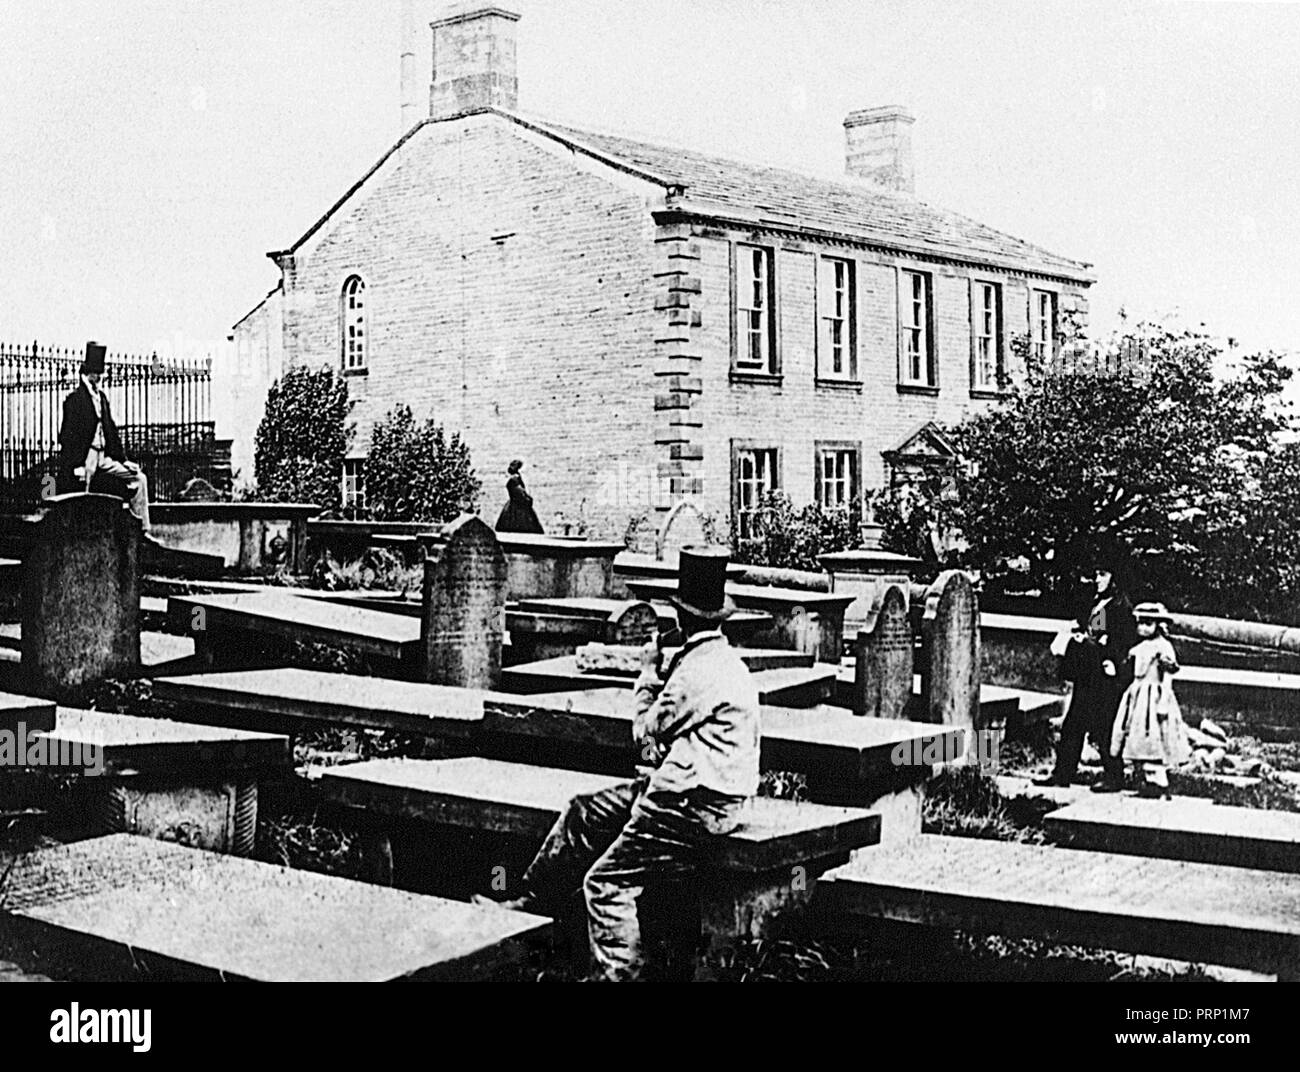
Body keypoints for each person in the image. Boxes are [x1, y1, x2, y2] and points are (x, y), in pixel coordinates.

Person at [476, 546, 761, 981]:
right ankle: (527, 904)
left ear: (681, 619)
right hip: (695, 792)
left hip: (690, 807)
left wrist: (647, 673)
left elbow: (645, 731)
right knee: (582, 811)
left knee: (604, 885)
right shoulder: (724, 662)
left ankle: (620, 976)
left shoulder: (697, 672)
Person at [1038, 556, 1136, 791]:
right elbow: (1095, 631)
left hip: (1105, 676)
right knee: (1073, 724)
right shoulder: (1099, 603)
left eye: (1103, 575)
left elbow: (1123, 642)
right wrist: (1082, 637)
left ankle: (1114, 776)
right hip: (1088, 673)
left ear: (1115, 578)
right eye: (1097, 575)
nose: (1098, 579)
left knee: (1103, 726)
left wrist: (1111, 658)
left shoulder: (1121, 607)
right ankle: (1063, 774)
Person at [56, 341, 151, 532]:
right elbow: (67, 436)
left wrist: (124, 461)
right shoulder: (74, 400)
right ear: (86, 373)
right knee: (82, 496)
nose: (98, 377)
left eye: (100, 373)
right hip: (86, 457)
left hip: (104, 456)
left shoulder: (103, 399)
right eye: (94, 373)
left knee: (139, 479)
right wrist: (76, 464)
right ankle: (79, 538)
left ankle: (143, 531)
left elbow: (112, 433)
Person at [1110, 602, 1191, 799]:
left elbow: (1167, 678)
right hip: (1137, 696)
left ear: (1158, 624)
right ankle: (1145, 782)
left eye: (1148, 623)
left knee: (1153, 738)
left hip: (1152, 697)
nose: (1143, 628)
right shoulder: (1140, 647)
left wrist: (1163, 701)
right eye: (1140, 623)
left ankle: (1159, 784)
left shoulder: (1163, 647)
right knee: (1136, 737)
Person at [494, 458, 543, 534]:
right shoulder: (514, 480)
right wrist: (528, 499)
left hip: (515, 505)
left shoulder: (515, 479)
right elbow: (520, 494)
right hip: (518, 508)